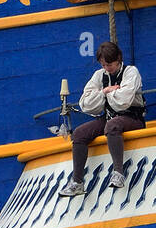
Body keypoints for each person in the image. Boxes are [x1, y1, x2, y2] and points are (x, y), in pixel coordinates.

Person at [58, 41, 145, 195]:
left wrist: (103, 96)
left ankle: (118, 172)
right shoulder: (100, 75)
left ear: (118, 59)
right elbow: (86, 103)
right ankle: (77, 182)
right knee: (79, 133)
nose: (106, 68)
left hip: (132, 117)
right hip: (110, 117)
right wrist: (106, 91)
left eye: (109, 64)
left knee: (112, 126)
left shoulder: (131, 72)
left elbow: (123, 101)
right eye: (103, 65)